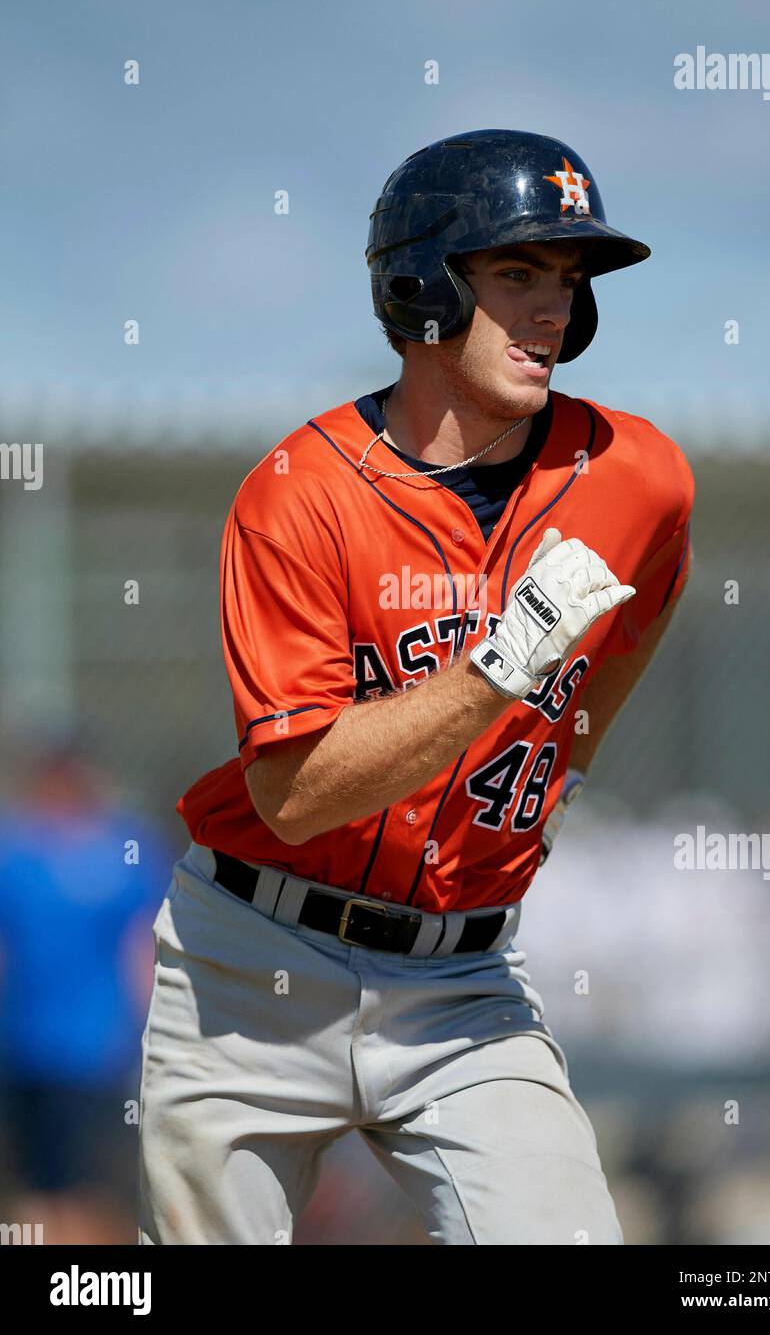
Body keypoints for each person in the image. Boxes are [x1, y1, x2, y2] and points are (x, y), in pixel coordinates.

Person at [138, 128, 694, 1245]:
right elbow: (293, 794)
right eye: (515, 273)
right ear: (420, 288)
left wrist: (565, 756)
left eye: (568, 282)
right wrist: (501, 669)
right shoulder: (297, 496)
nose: (552, 310)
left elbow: (629, 625)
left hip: (463, 979)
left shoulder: (637, 476)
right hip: (255, 967)